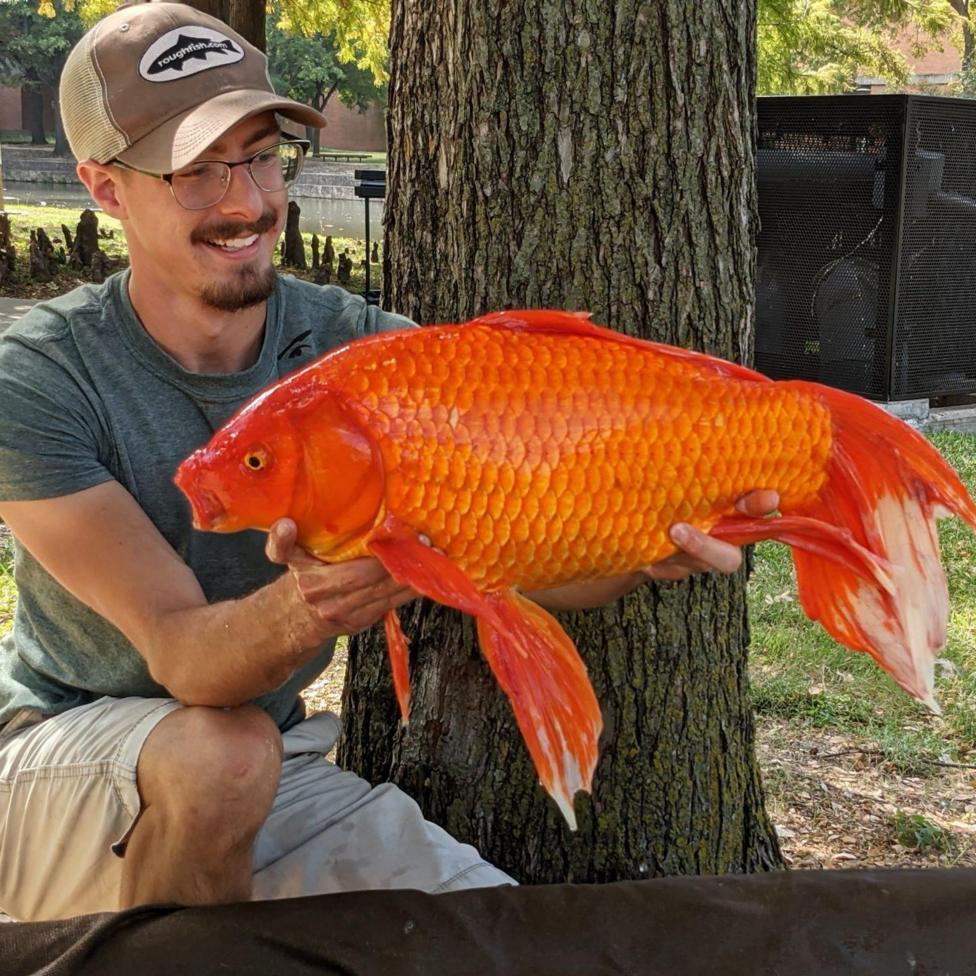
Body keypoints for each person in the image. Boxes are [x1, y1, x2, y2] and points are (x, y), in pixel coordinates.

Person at [0, 2, 778, 922]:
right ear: (104, 187)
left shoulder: (365, 354)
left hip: (270, 769)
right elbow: (187, 661)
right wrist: (317, 598)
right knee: (219, 753)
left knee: (486, 930)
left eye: (258, 157)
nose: (245, 202)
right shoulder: (39, 375)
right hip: (54, 764)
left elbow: (519, 561)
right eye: (195, 172)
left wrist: (639, 541)